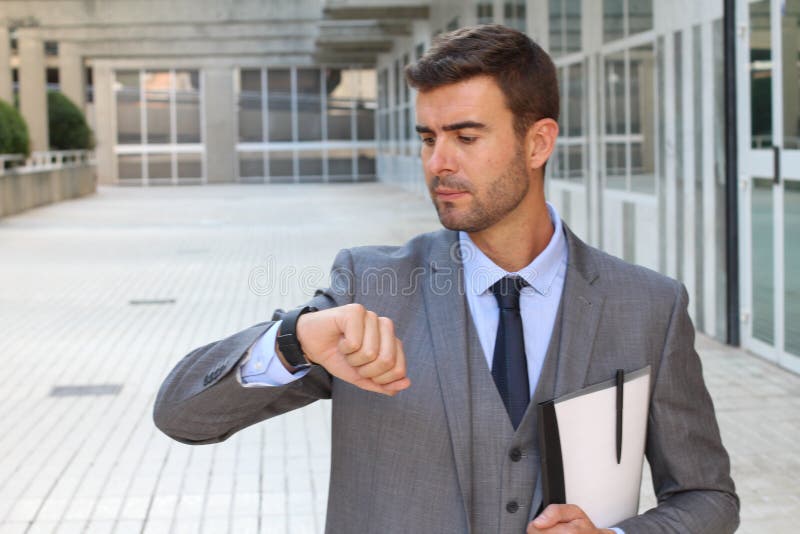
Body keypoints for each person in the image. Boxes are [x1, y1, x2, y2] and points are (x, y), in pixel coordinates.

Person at [154, 24, 739, 533]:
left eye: (465, 137)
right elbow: (181, 414)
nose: (438, 164)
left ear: (537, 143)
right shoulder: (370, 287)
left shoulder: (648, 306)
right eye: (429, 139)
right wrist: (296, 338)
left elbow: (707, 497)